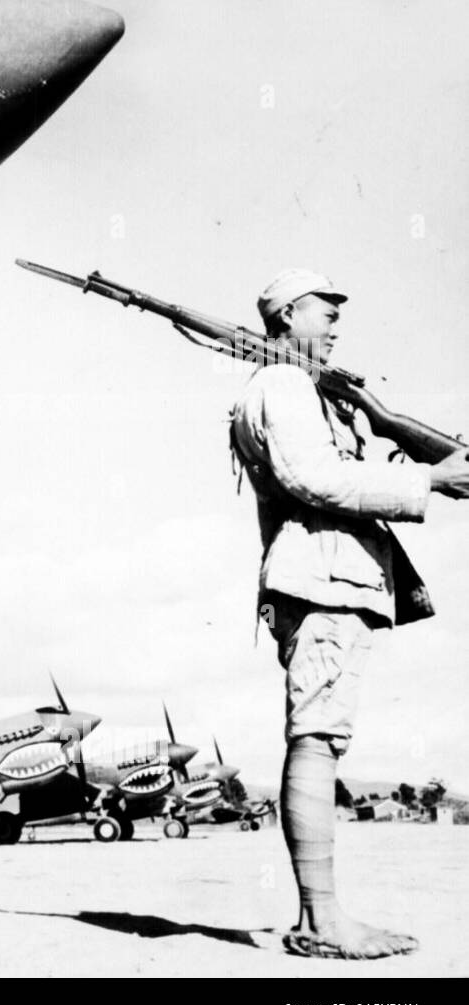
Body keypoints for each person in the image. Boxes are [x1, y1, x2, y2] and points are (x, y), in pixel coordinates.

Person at [229, 268, 469, 959]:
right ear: (283, 317)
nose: (335, 325)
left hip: (332, 579)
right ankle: (321, 921)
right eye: (321, 313)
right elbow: (317, 479)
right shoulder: (283, 384)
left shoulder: (303, 387)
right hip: (323, 580)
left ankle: (322, 915)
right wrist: (428, 477)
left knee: (323, 735)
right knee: (316, 735)